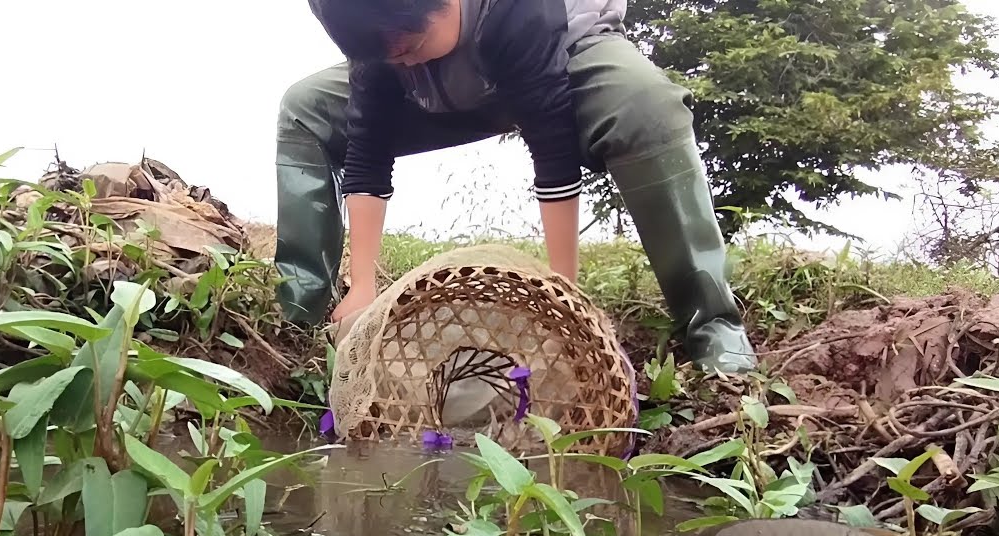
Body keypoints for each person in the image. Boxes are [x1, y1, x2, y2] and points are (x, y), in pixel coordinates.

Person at [273, 0, 758, 373]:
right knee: (306, 106)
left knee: (646, 106)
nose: (396, 57)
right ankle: (298, 311)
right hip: (438, 78)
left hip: (565, 48)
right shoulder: (383, 38)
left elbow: (553, 150)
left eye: (407, 44)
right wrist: (363, 287)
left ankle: (712, 326)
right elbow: (368, 146)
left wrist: (563, 298)